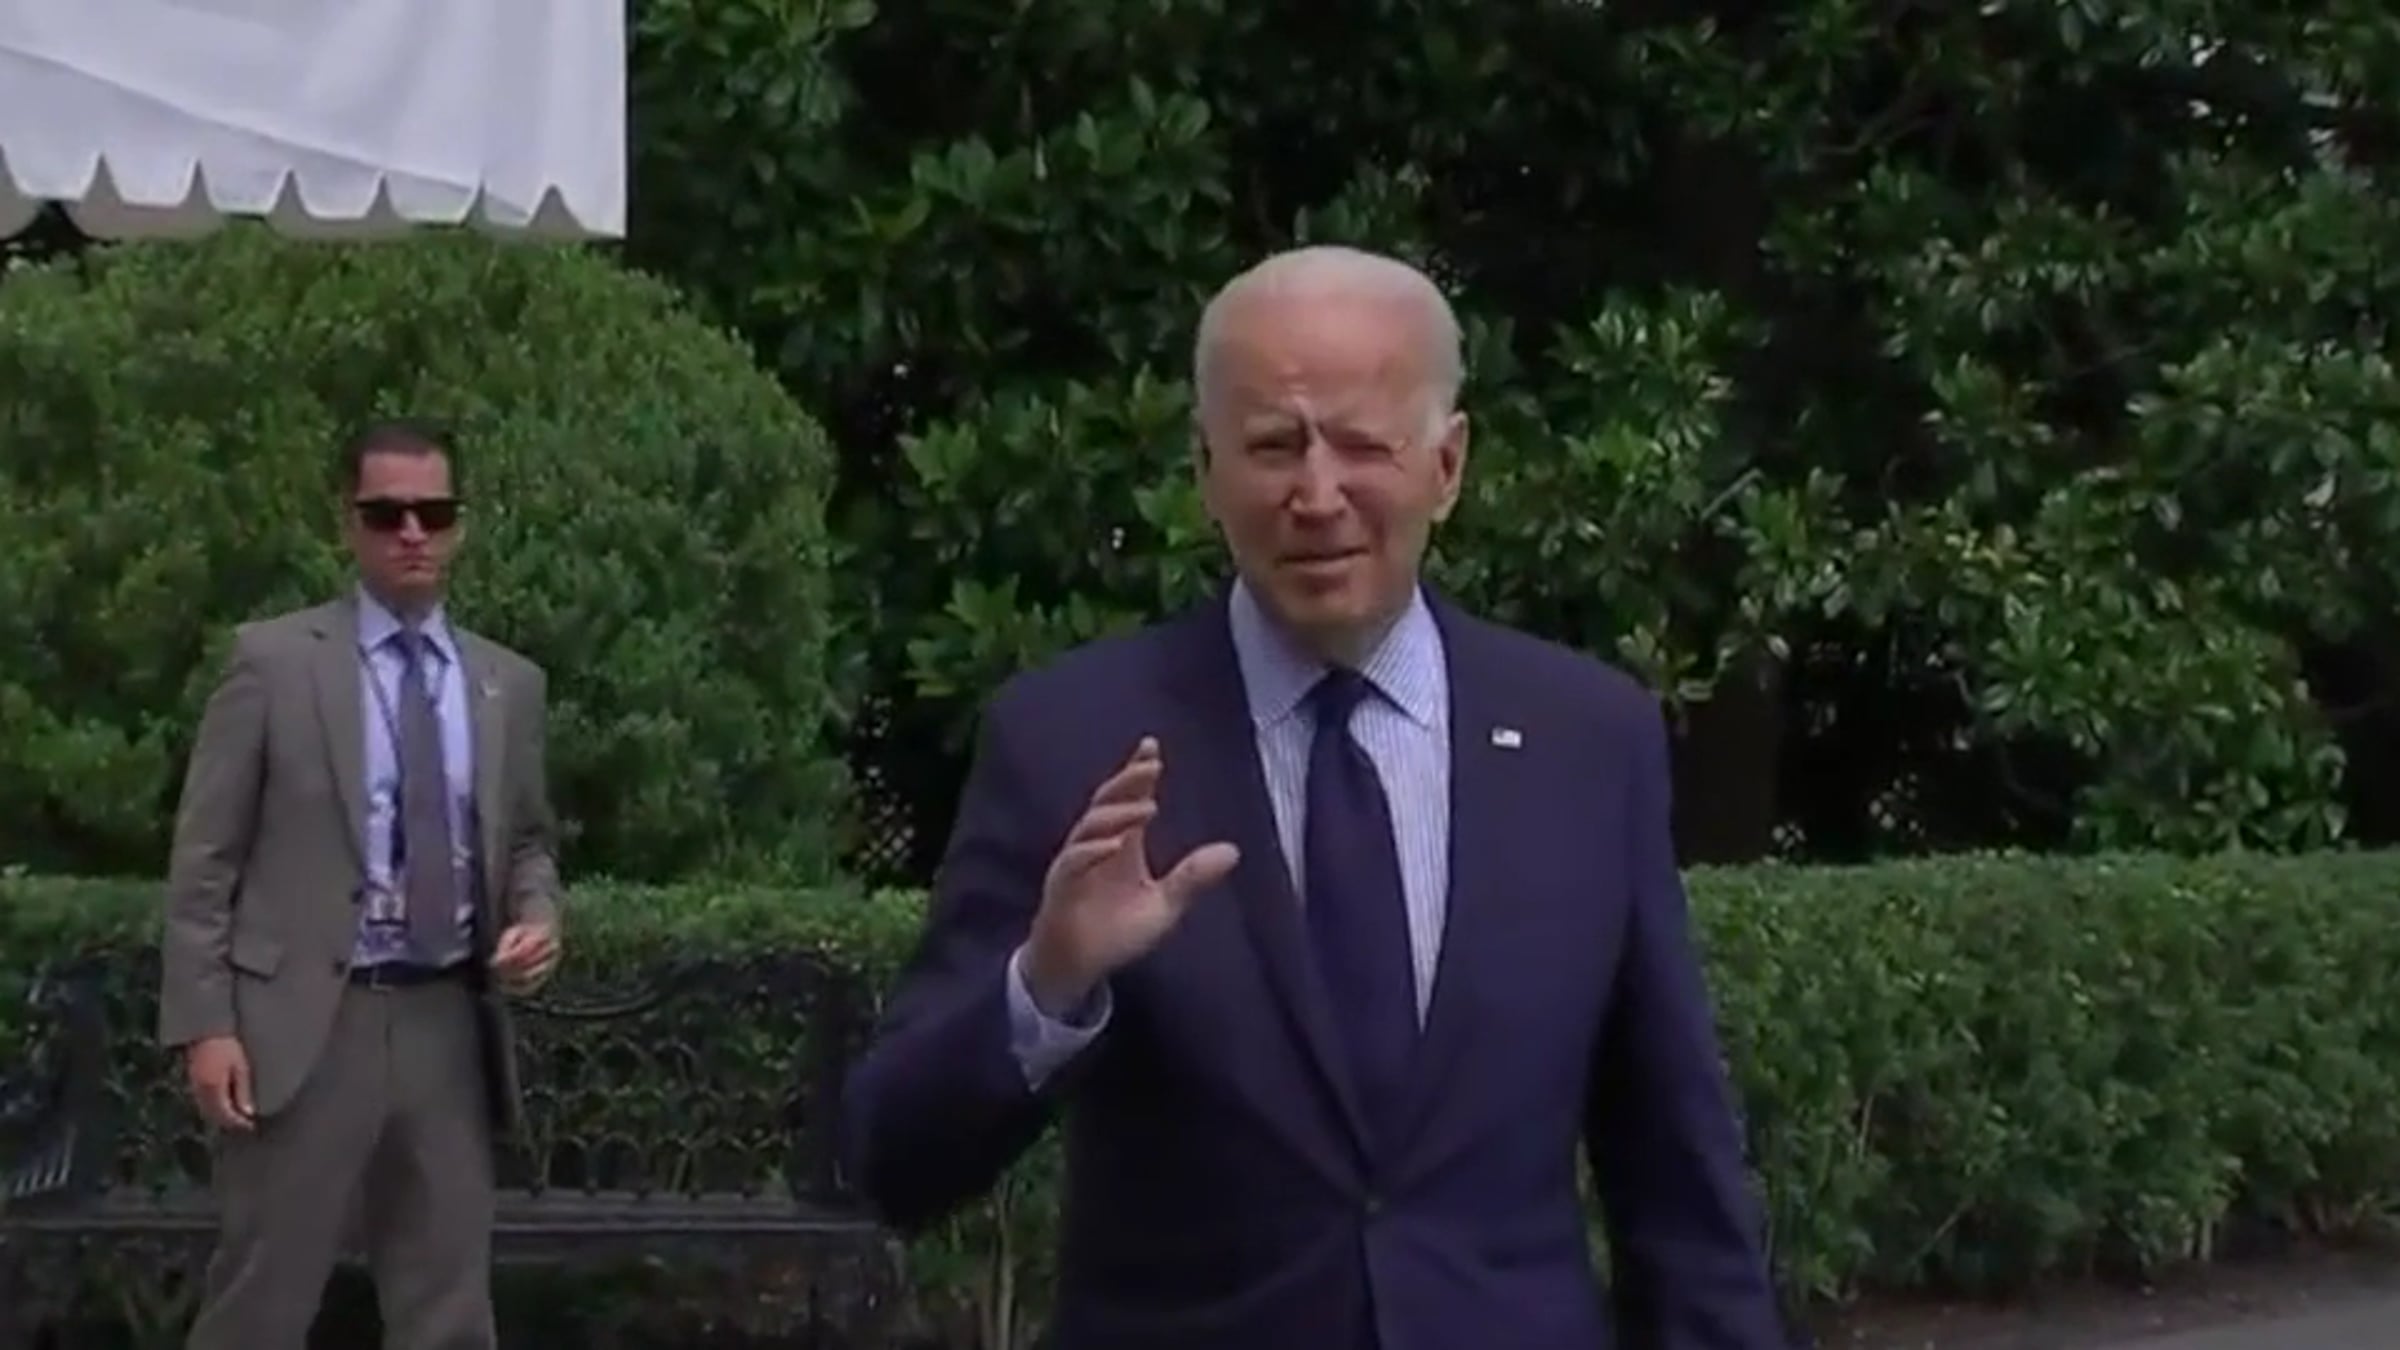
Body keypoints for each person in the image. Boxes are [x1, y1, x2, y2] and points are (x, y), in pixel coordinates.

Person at [842, 246, 1788, 1348]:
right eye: (1274, 445)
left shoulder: (1589, 739)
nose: (1317, 494)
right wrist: (1046, 986)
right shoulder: (1075, 742)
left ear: (1448, 463)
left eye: (1361, 444)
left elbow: (1676, 1171)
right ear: (1205, 468)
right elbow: (892, 1162)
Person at [157, 420, 564, 1350]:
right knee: (262, 1299)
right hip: (307, 1022)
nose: (413, 532)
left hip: (448, 1022)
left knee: (449, 1306)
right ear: (350, 523)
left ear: (459, 524)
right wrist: (207, 1025)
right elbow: (204, 860)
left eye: (434, 511)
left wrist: (539, 918)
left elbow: (531, 842)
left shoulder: (508, 683)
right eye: (388, 514)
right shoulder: (273, 663)